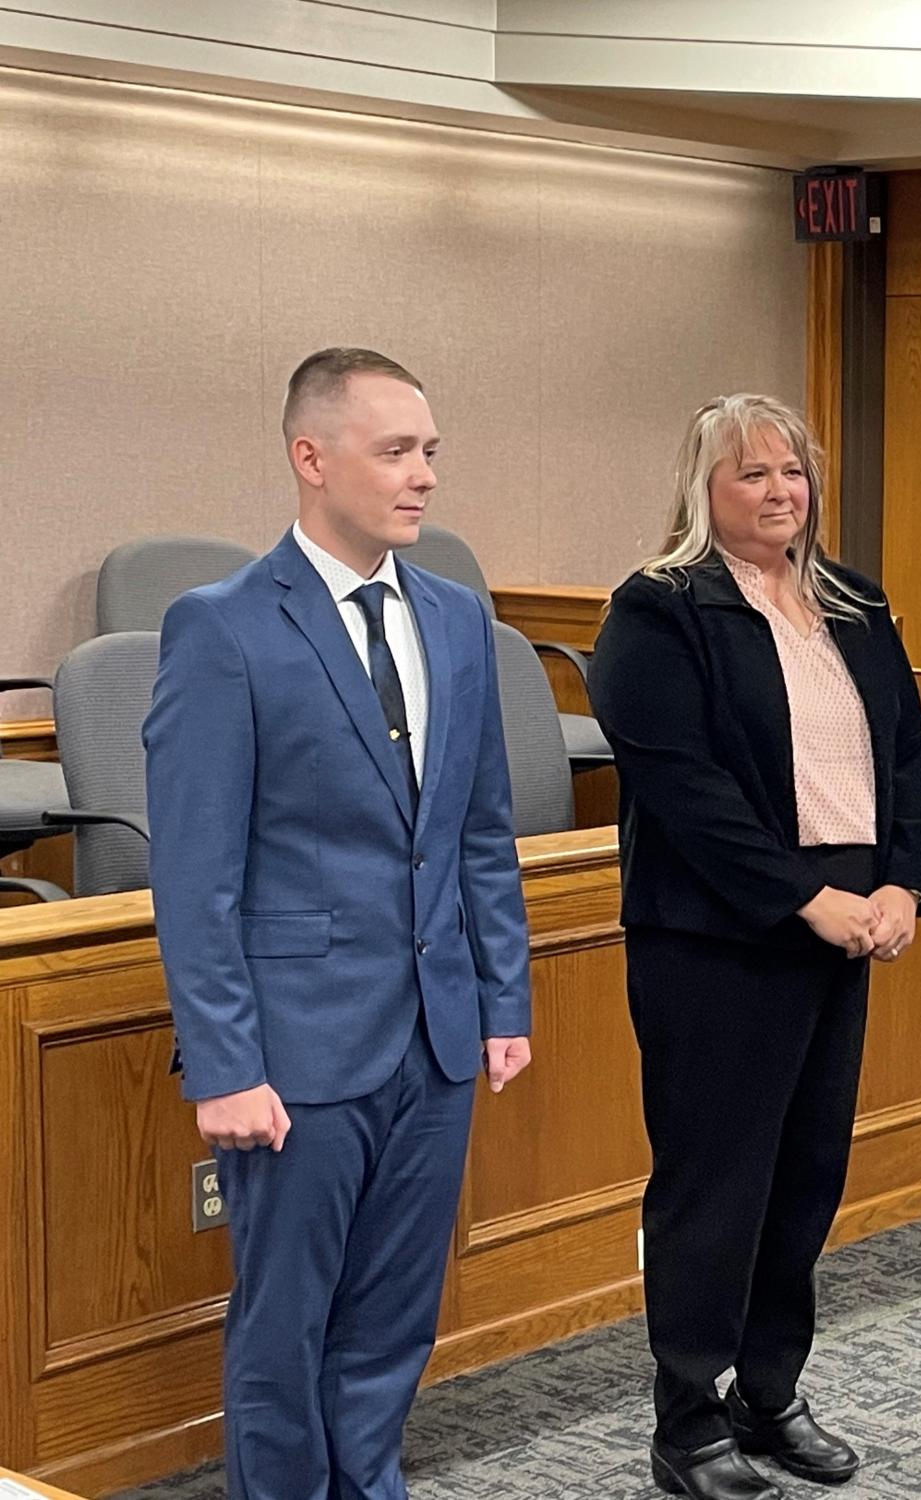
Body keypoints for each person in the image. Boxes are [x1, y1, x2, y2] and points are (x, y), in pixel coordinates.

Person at [144, 347, 533, 1499]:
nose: (421, 477)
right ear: (310, 459)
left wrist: (500, 1000)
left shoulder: (460, 621)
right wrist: (223, 1065)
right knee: (285, 1333)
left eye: (430, 453)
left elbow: (477, 829)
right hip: (297, 1050)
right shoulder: (221, 628)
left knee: (391, 1324)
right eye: (395, 451)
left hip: (435, 1037)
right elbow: (196, 877)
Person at [588, 393, 921, 1500]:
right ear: (702, 488)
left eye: (791, 472)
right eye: (750, 474)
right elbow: (684, 789)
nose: (779, 490)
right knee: (715, 1183)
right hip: (718, 937)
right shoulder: (660, 609)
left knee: (805, 1177)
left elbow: (910, 754)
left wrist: (897, 881)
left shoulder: (851, 599)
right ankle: (686, 1417)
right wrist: (805, 900)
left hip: (843, 922)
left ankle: (770, 1392)